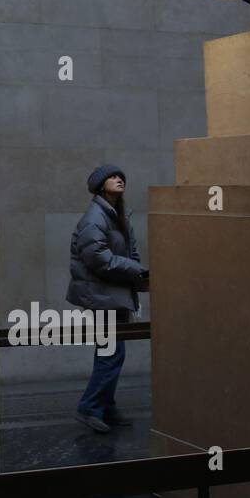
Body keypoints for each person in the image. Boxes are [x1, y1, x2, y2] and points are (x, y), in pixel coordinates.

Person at [66, 164, 149, 434]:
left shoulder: (117, 214)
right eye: (113, 177)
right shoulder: (95, 217)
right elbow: (98, 258)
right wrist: (135, 270)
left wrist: (135, 270)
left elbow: (130, 250)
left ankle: (106, 406)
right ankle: (89, 407)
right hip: (102, 296)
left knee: (110, 353)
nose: (119, 180)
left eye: (122, 177)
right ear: (101, 185)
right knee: (111, 354)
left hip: (114, 294)